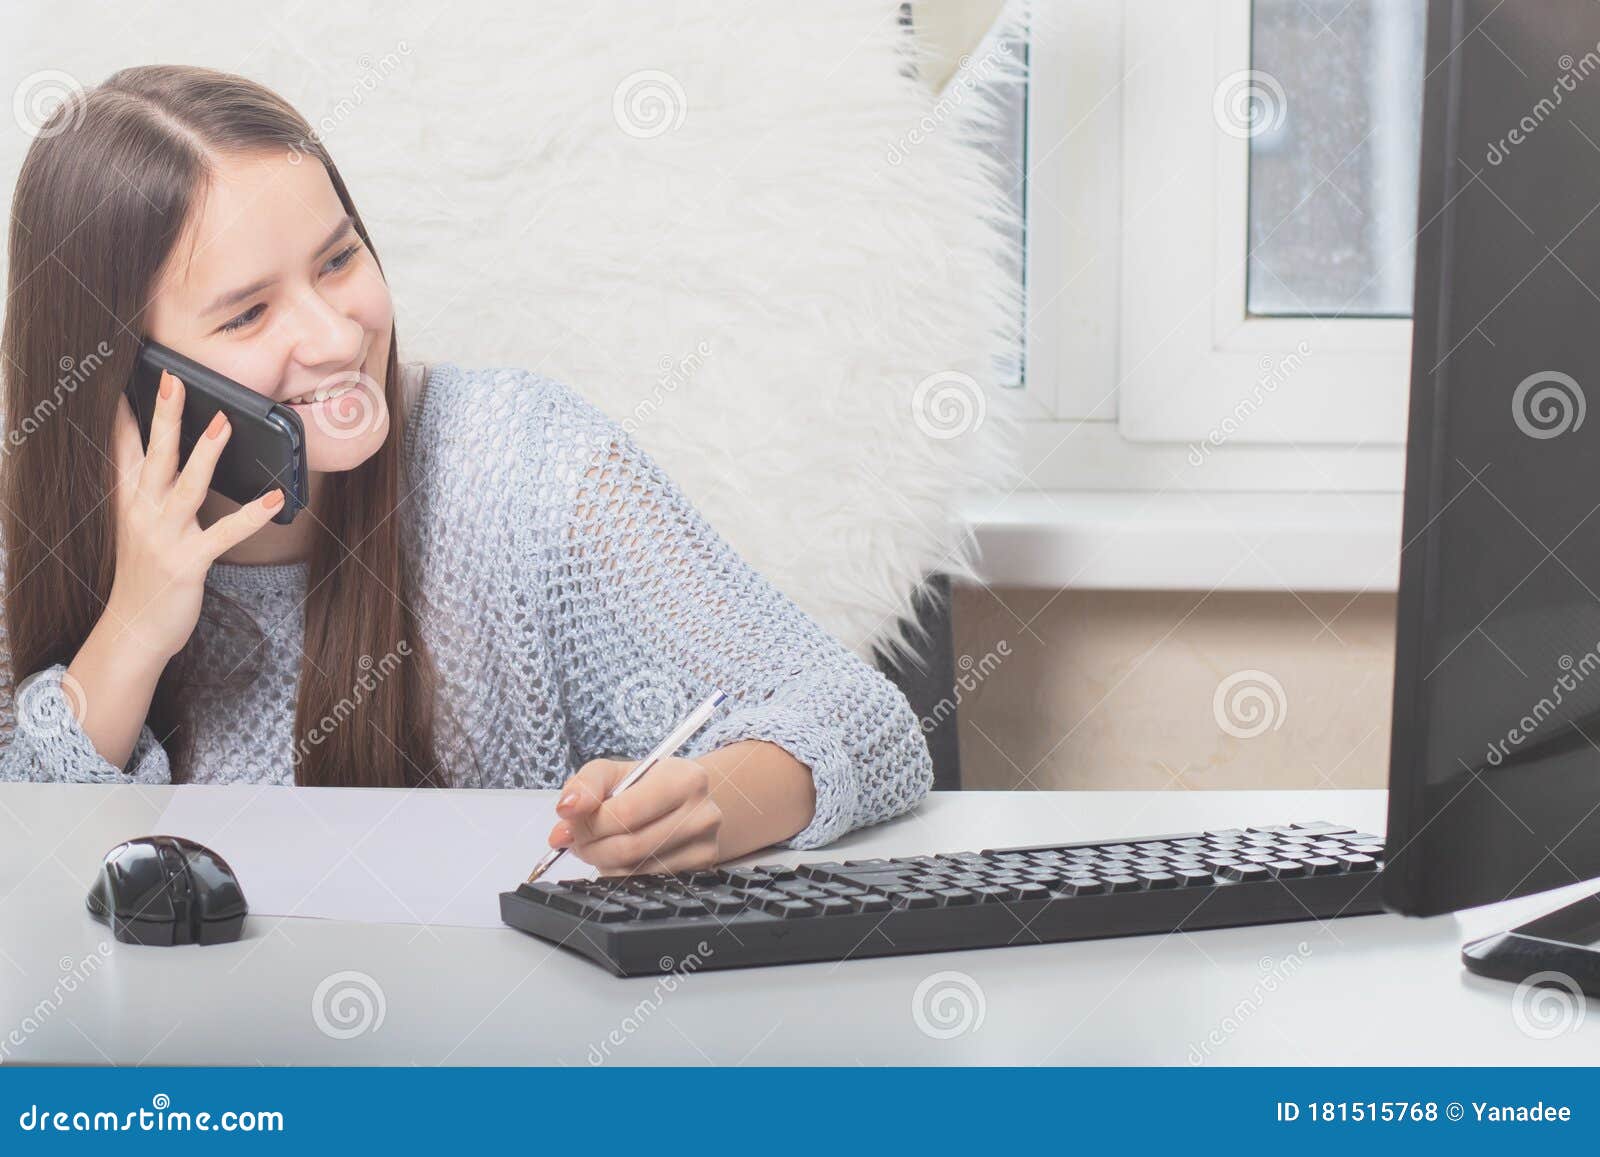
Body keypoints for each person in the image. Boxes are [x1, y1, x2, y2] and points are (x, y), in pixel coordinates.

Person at [0, 64, 932, 875]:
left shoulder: (520, 460)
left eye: (337, 260)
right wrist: (131, 632)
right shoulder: (37, 538)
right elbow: (34, 903)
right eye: (246, 314)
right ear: (128, 372)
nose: (337, 336)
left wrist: (711, 802)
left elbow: (868, 722)